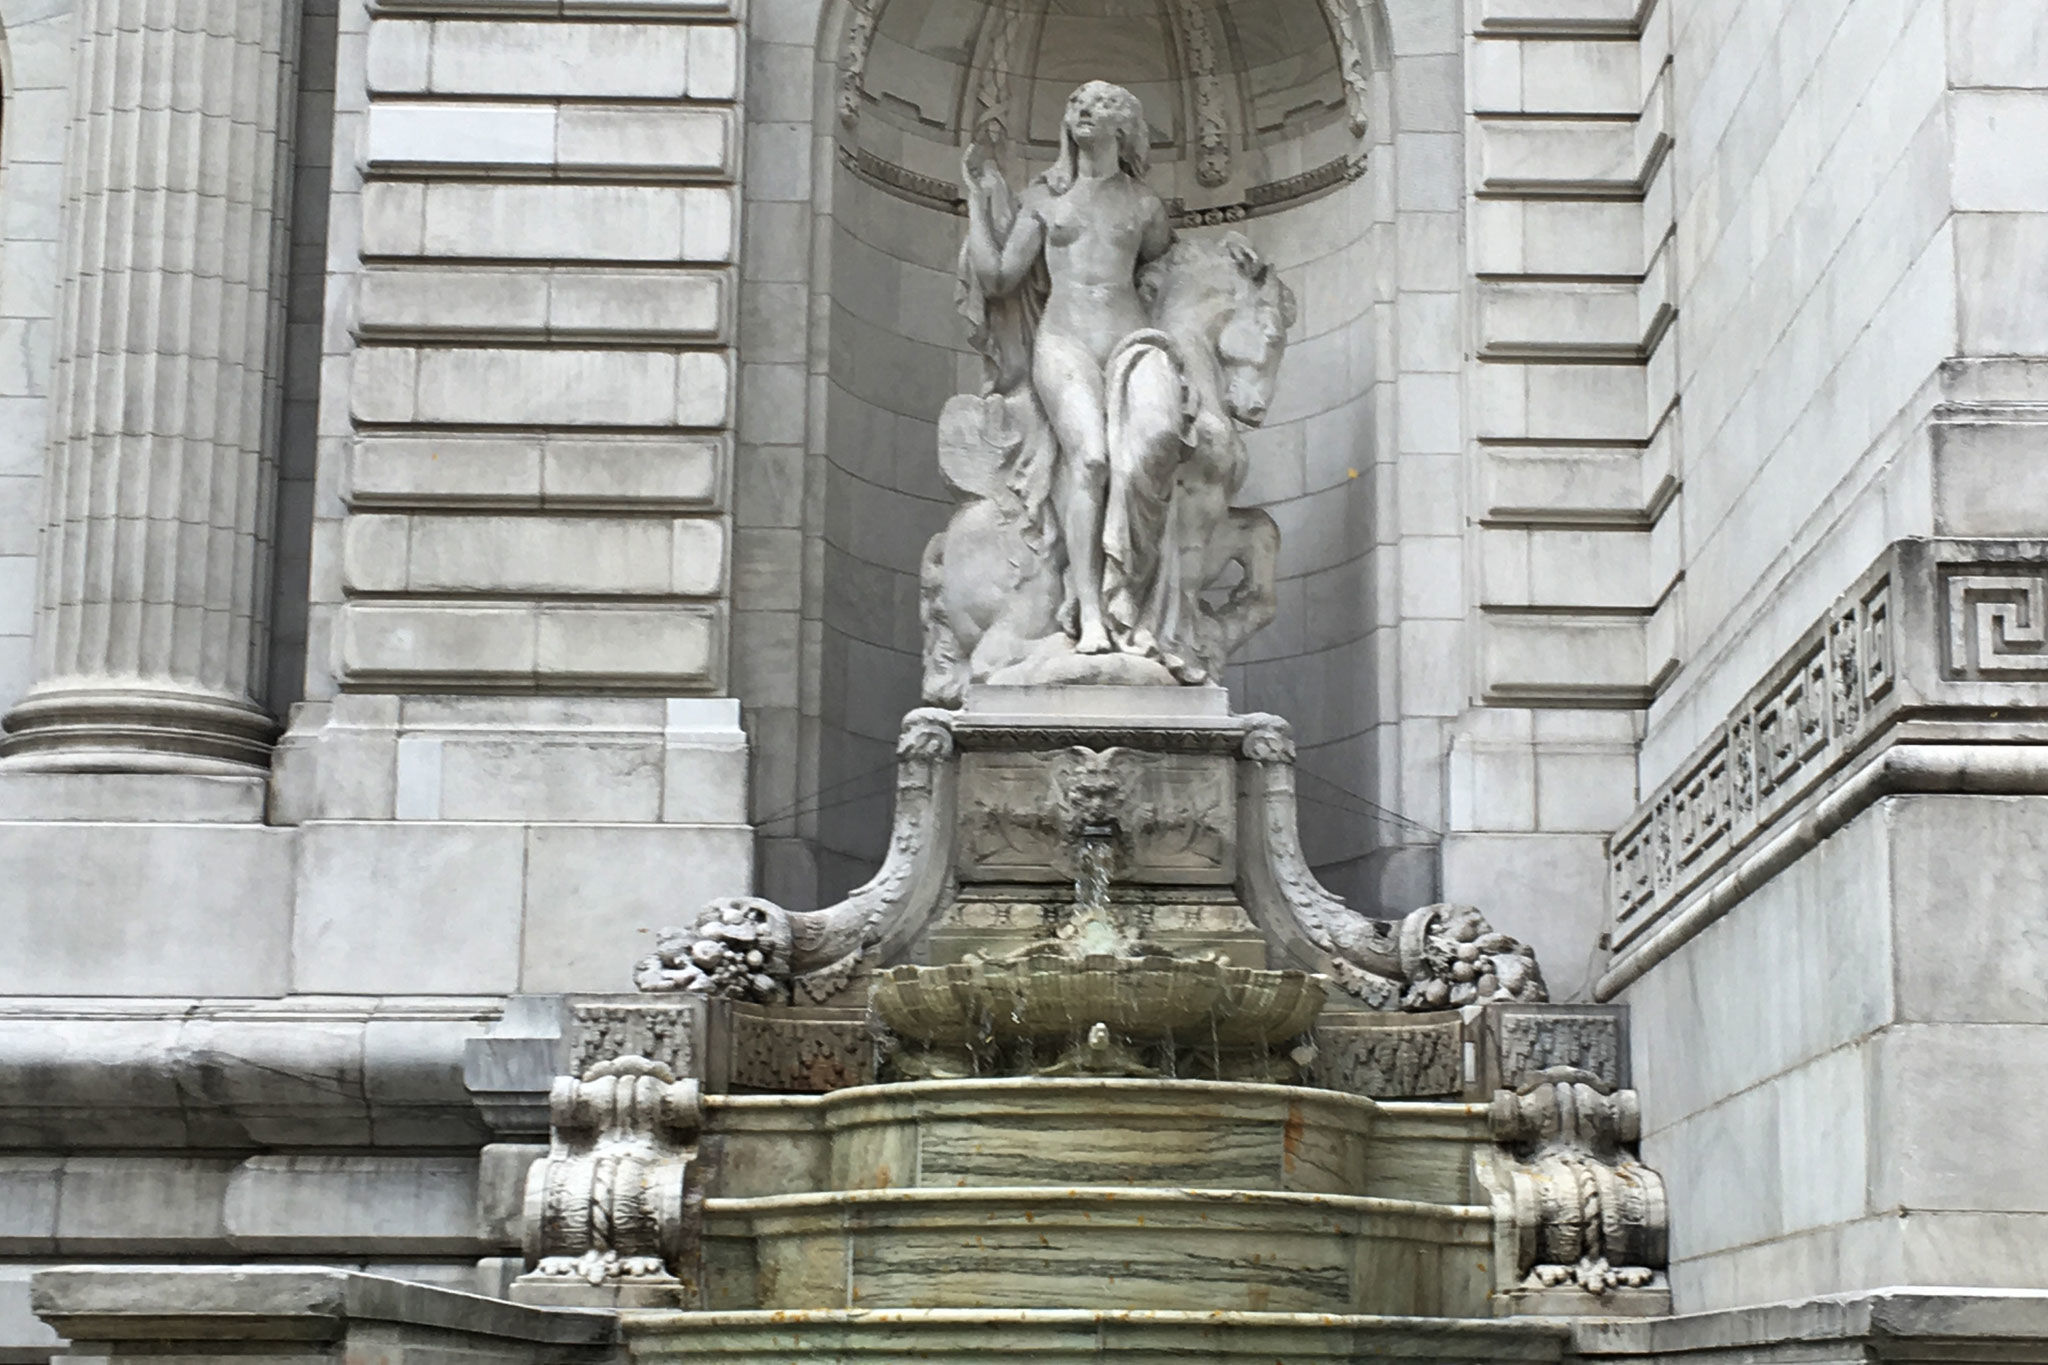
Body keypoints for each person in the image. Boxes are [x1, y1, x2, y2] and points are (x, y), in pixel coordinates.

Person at [959, 81, 1176, 657]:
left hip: (1131, 342)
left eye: (1099, 104)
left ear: (1124, 127)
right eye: (1076, 102)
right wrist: (978, 203)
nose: (1082, 110)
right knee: (1093, 459)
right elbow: (1001, 277)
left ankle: (1131, 596)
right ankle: (1088, 609)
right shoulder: (1045, 199)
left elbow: (1166, 275)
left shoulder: (1145, 205)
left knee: (1146, 455)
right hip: (1063, 342)